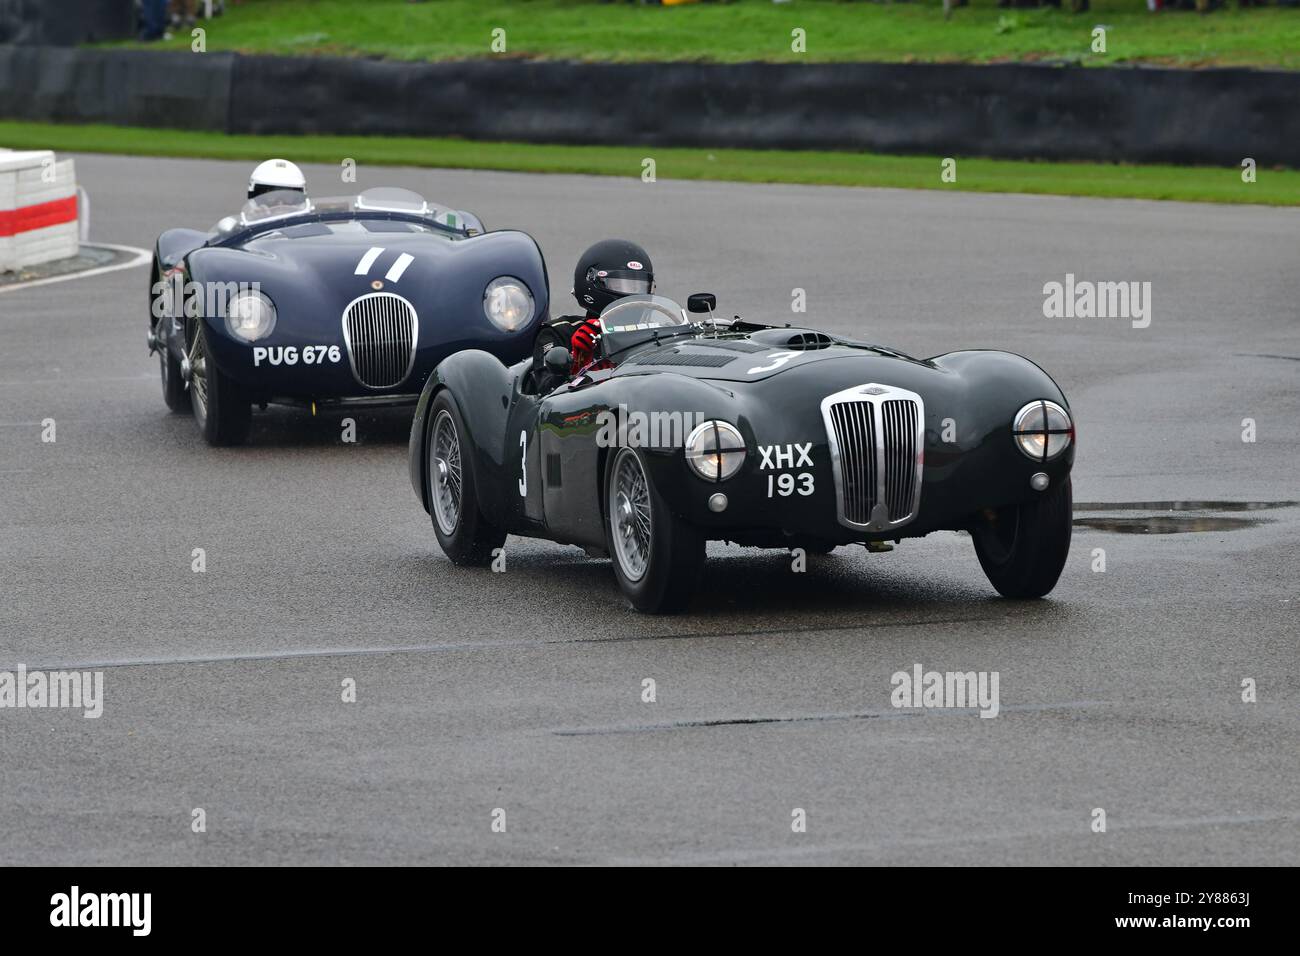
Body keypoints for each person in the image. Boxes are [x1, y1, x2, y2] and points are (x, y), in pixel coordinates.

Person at [544, 239, 655, 377]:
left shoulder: (655, 335)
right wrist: (578, 363)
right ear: (591, 281)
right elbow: (546, 391)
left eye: (639, 287)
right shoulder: (558, 333)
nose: (631, 294)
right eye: (620, 285)